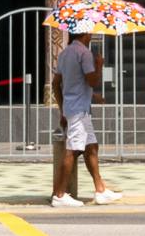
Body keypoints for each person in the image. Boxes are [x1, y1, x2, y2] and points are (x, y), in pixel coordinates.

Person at [50, 31, 119, 206]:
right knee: (73, 150)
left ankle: (100, 189)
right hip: (79, 111)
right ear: (85, 34)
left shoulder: (65, 53)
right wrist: (100, 65)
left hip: (74, 108)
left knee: (92, 147)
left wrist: (63, 108)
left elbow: (57, 83)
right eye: (90, 32)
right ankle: (59, 195)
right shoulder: (85, 53)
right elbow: (92, 80)